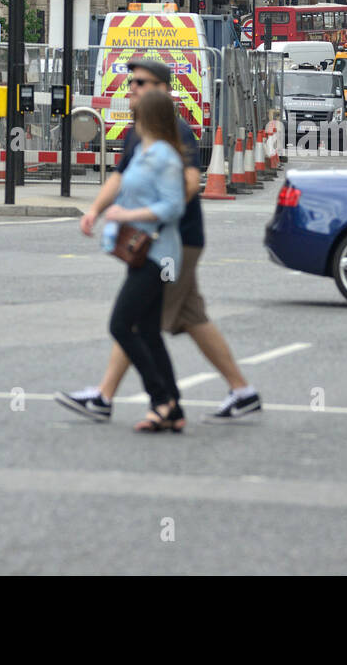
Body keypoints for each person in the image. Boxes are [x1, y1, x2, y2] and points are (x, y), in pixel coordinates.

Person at [55, 59, 263, 424]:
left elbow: (185, 185)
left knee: (135, 320)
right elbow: (119, 179)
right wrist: (95, 210)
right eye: (131, 81)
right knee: (181, 316)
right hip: (156, 240)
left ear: (163, 90)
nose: (133, 87)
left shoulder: (175, 132)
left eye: (142, 82)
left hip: (175, 240)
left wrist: (150, 220)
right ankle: (238, 391)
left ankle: (124, 397)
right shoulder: (137, 132)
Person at [76, 89, 188, 432]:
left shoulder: (166, 157)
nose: (131, 112)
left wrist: (126, 212)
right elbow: (123, 183)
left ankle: (161, 400)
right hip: (144, 254)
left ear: (150, 117)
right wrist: (100, 211)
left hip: (160, 256)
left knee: (121, 325)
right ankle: (173, 408)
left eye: (137, 110)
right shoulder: (143, 151)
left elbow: (173, 206)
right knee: (150, 333)